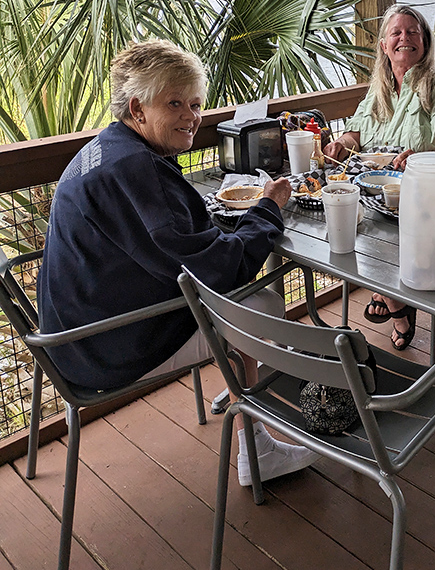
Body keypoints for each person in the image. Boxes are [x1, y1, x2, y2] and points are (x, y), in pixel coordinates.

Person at [38, 39, 318, 487]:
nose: (191, 117)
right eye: (175, 103)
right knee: (261, 303)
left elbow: (168, 241)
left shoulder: (108, 148)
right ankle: (256, 449)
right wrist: (268, 207)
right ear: (138, 108)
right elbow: (220, 269)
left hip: (67, 332)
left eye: (195, 103)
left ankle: (237, 386)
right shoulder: (137, 170)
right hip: (102, 348)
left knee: (242, 298)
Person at [325, 4, 435, 350]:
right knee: (354, 230)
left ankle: (398, 305)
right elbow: (357, 135)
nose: (404, 38)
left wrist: (420, 163)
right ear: (384, 45)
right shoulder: (379, 86)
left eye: (413, 31)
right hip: (382, 194)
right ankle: (396, 298)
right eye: (396, 33)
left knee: (375, 239)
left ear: (425, 41)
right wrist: (340, 143)